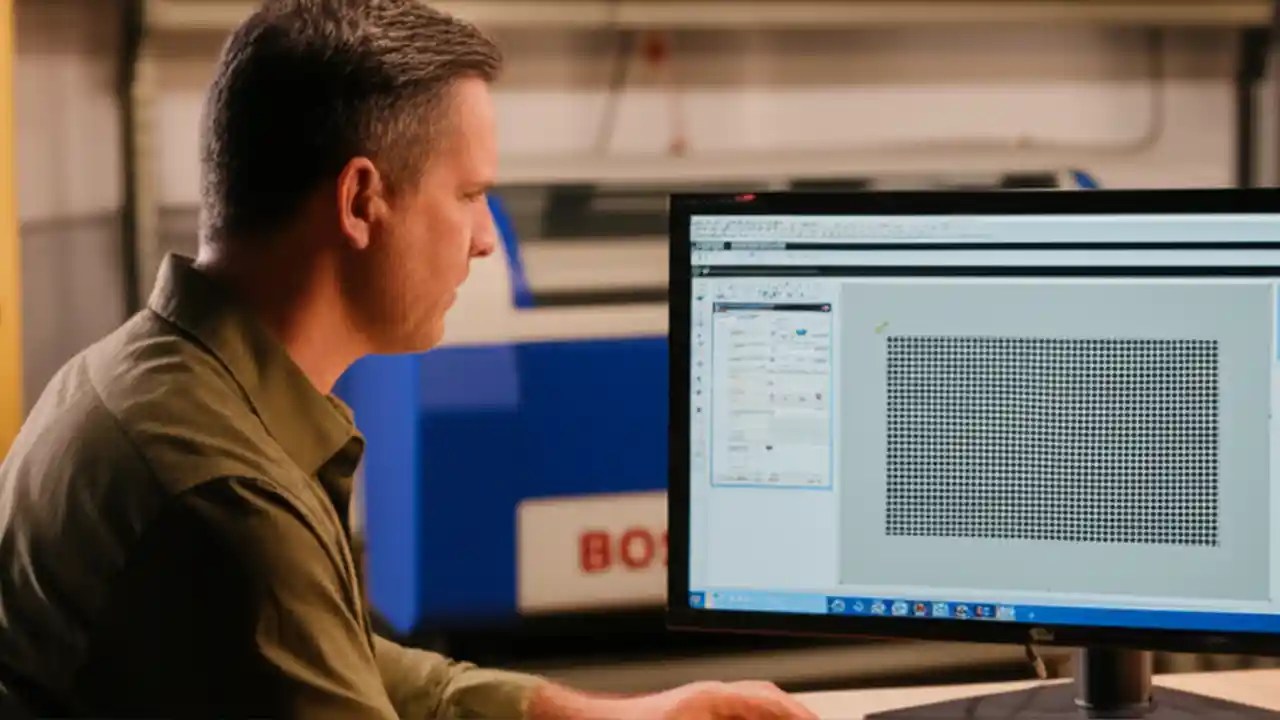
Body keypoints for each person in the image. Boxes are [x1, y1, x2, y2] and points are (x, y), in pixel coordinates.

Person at [0, 0, 821, 718]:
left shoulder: (139, 377)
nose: (485, 240)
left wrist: (604, 715)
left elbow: (342, 656)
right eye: (469, 196)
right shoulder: (225, 495)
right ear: (362, 201)